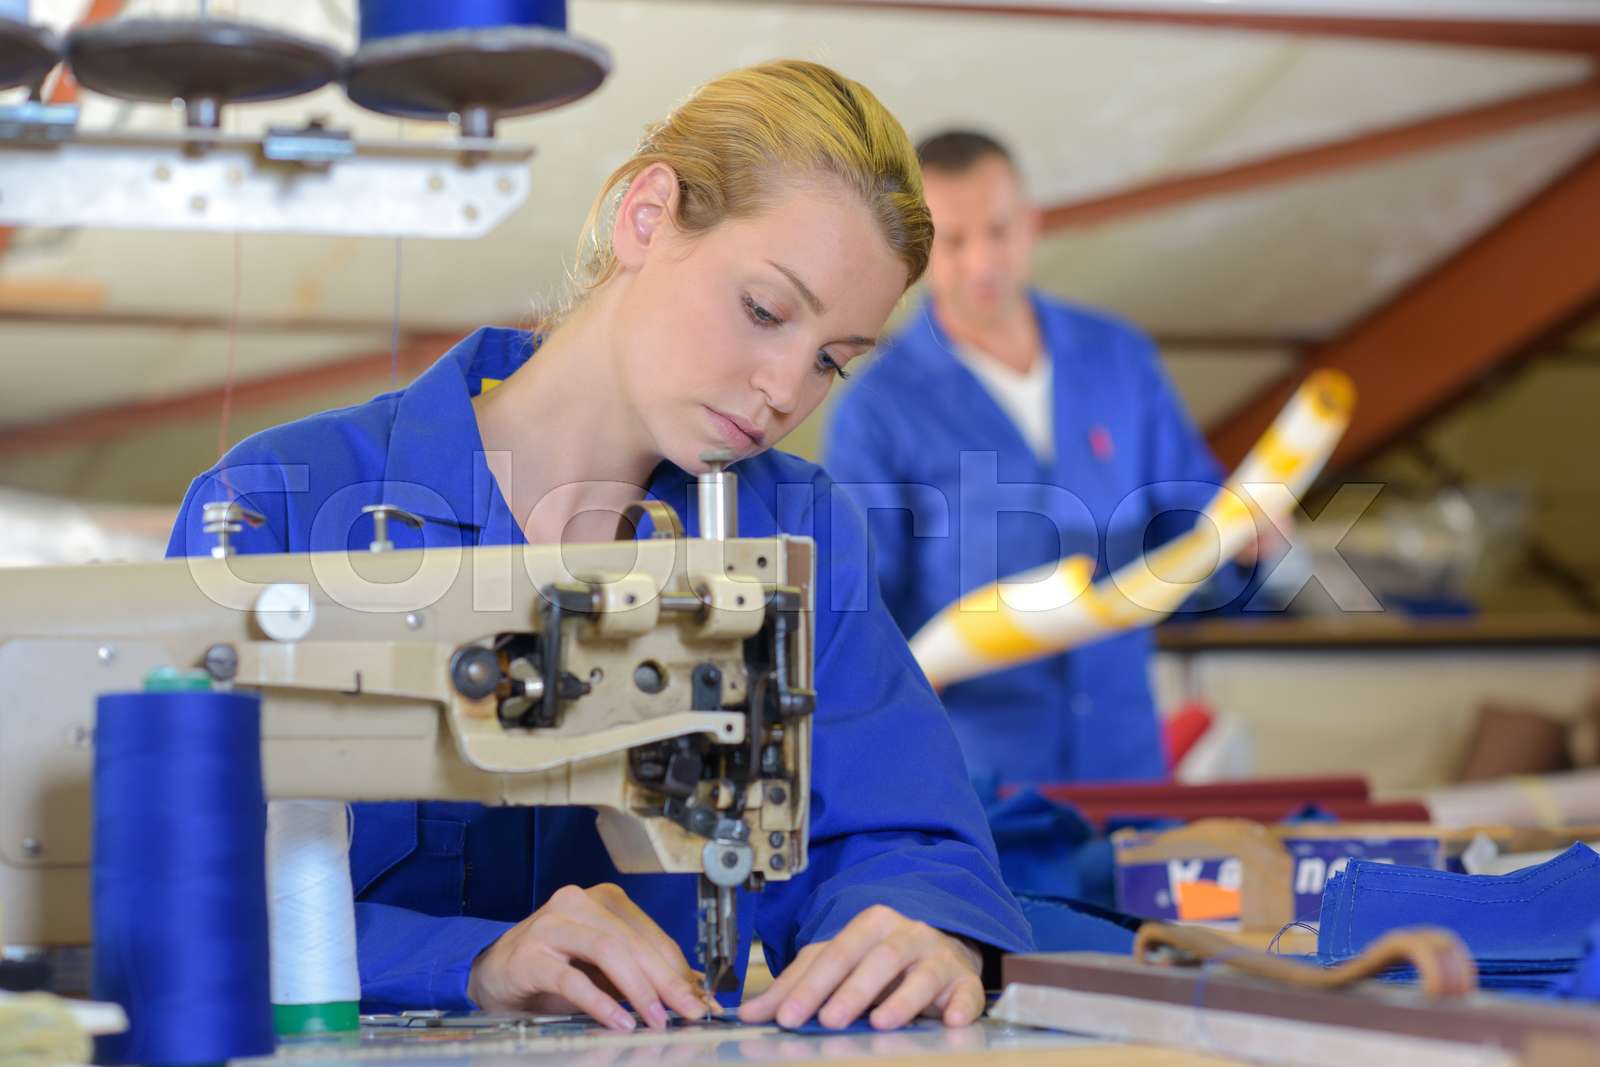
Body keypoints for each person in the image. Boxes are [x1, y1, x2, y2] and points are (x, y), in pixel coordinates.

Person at [166, 63, 1032, 1033]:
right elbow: (171, 894)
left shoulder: (793, 528)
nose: (786, 389)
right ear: (646, 214)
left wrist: (920, 926)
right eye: (763, 310)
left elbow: (906, 832)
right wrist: (469, 960)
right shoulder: (283, 505)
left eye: (833, 358)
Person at [824, 130, 1247, 787]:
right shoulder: (877, 407)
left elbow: (1193, 524)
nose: (983, 262)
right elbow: (861, 609)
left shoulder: (1121, 360)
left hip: (1128, 764)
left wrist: (1245, 542)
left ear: (1031, 224)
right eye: (955, 241)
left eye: (999, 231)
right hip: (977, 783)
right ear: (918, 250)